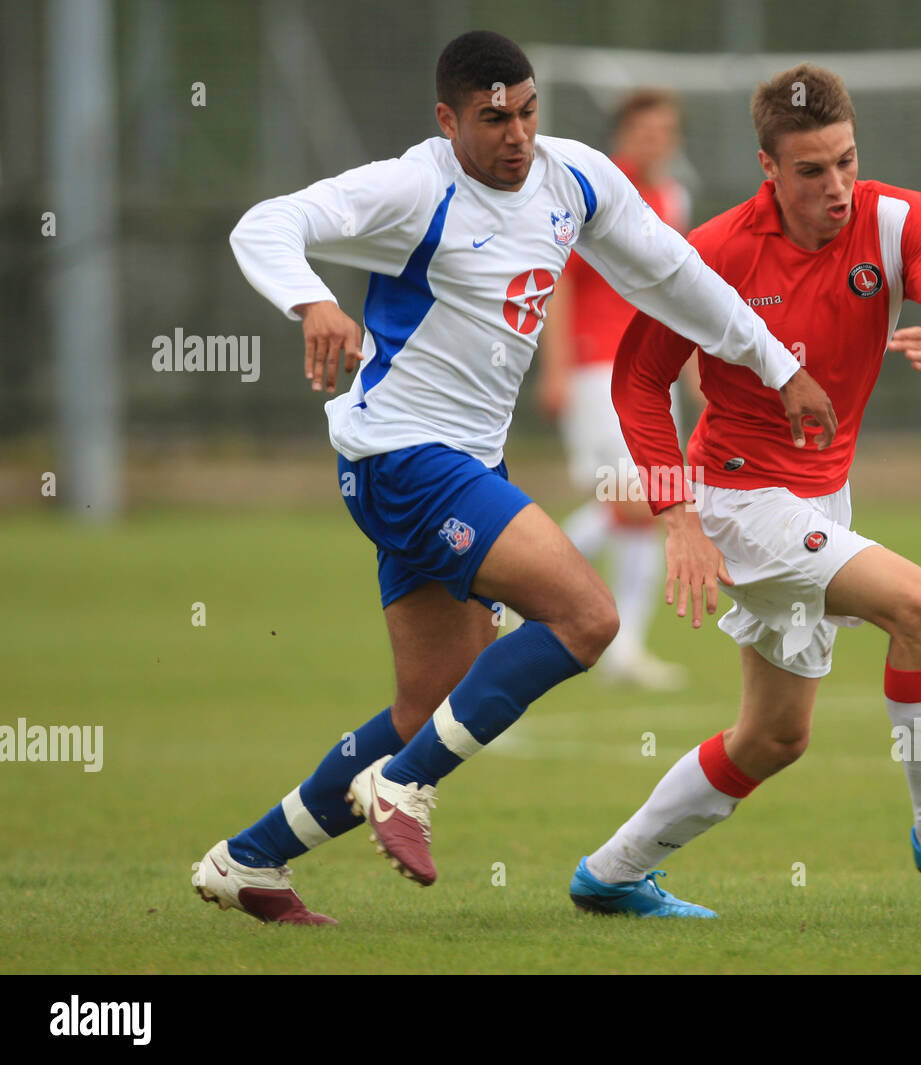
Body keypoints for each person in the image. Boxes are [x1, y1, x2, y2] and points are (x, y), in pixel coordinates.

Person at [190, 31, 836, 925]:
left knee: (425, 708)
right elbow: (264, 223)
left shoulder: (573, 179)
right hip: (407, 460)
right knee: (587, 615)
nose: (518, 134)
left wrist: (776, 366)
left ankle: (248, 861)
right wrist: (313, 300)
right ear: (448, 119)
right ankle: (405, 791)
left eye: (528, 111)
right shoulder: (414, 187)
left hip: (455, 465)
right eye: (494, 118)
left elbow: (678, 277)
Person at [569, 63, 921, 918]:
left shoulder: (899, 221)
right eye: (812, 171)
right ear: (767, 169)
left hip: (822, 499)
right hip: (737, 500)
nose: (838, 187)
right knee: (919, 606)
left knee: (775, 735)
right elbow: (637, 382)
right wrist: (677, 519)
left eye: (847, 162)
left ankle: (612, 872)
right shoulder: (712, 253)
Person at [538, 88, 696, 691]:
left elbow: (675, 294)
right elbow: (561, 285)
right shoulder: (594, 191)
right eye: (646, 130)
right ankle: (511, 576)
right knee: (636, 500)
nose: (657, 140)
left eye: (667, 130)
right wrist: (553, 370)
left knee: (647, 507)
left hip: (651, 373)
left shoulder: (671, 198)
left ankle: (625, 648)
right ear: (624, 135)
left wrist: (691, 370)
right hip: (598, 370)